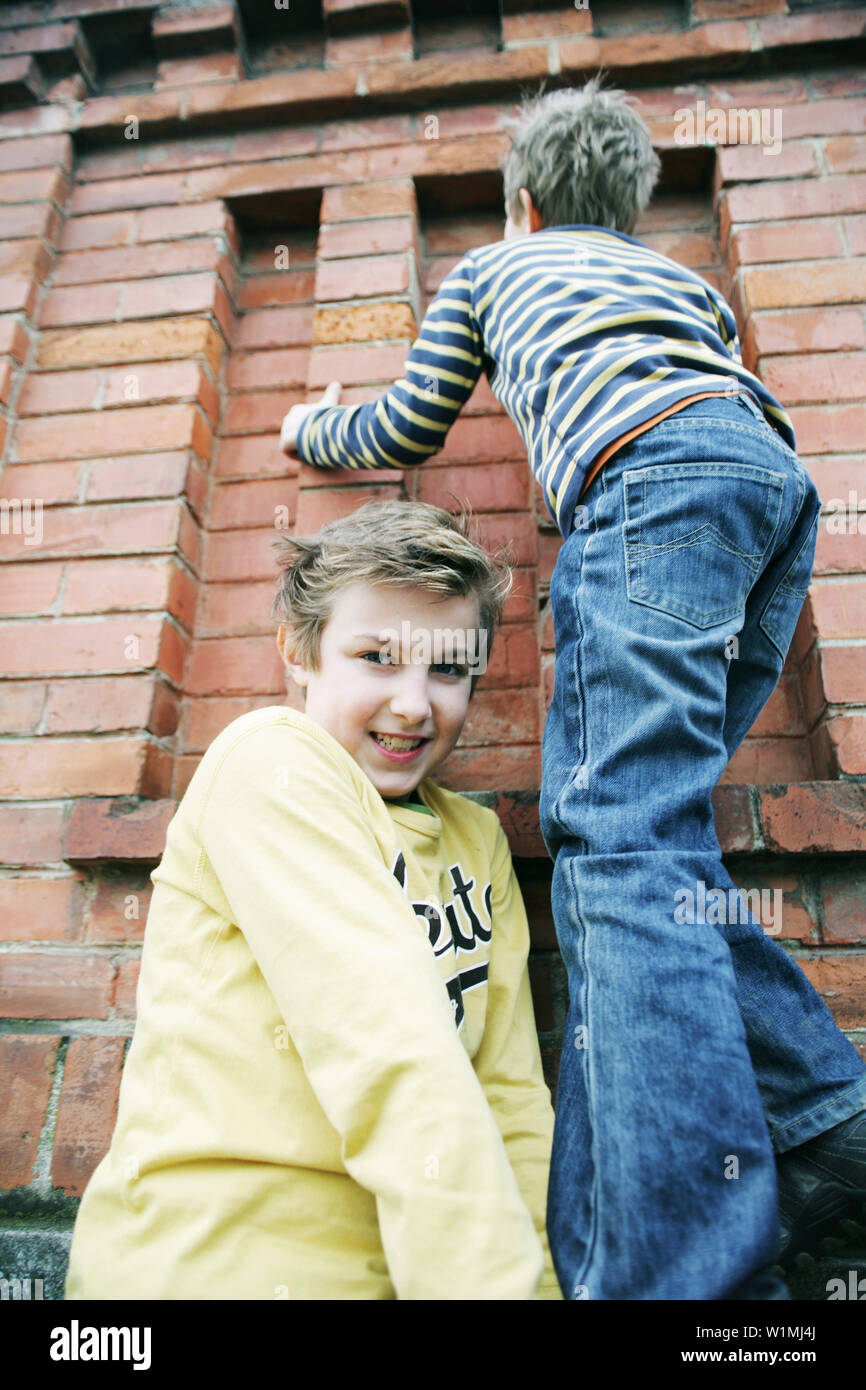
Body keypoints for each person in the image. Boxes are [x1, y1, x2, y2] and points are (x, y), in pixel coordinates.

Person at [280, 78, 866, 1300]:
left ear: (524, 203)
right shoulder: (684, 287)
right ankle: (819, 1120)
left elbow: (410, 421)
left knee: (614, 841)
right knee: (655, 839)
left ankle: (676, 1270)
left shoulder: (495, 272)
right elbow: (712, 408)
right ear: (626, 201)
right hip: (763, 495)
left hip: (641, 488)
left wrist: (314, 427)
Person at [65, 499, 562, 1301]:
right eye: (376, 656)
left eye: (447, 668)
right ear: (299, 651)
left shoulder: (476, 841)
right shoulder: (271, 763)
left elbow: (508, 1098)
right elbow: (391, 1049)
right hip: (209, 1270)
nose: (413, 704)